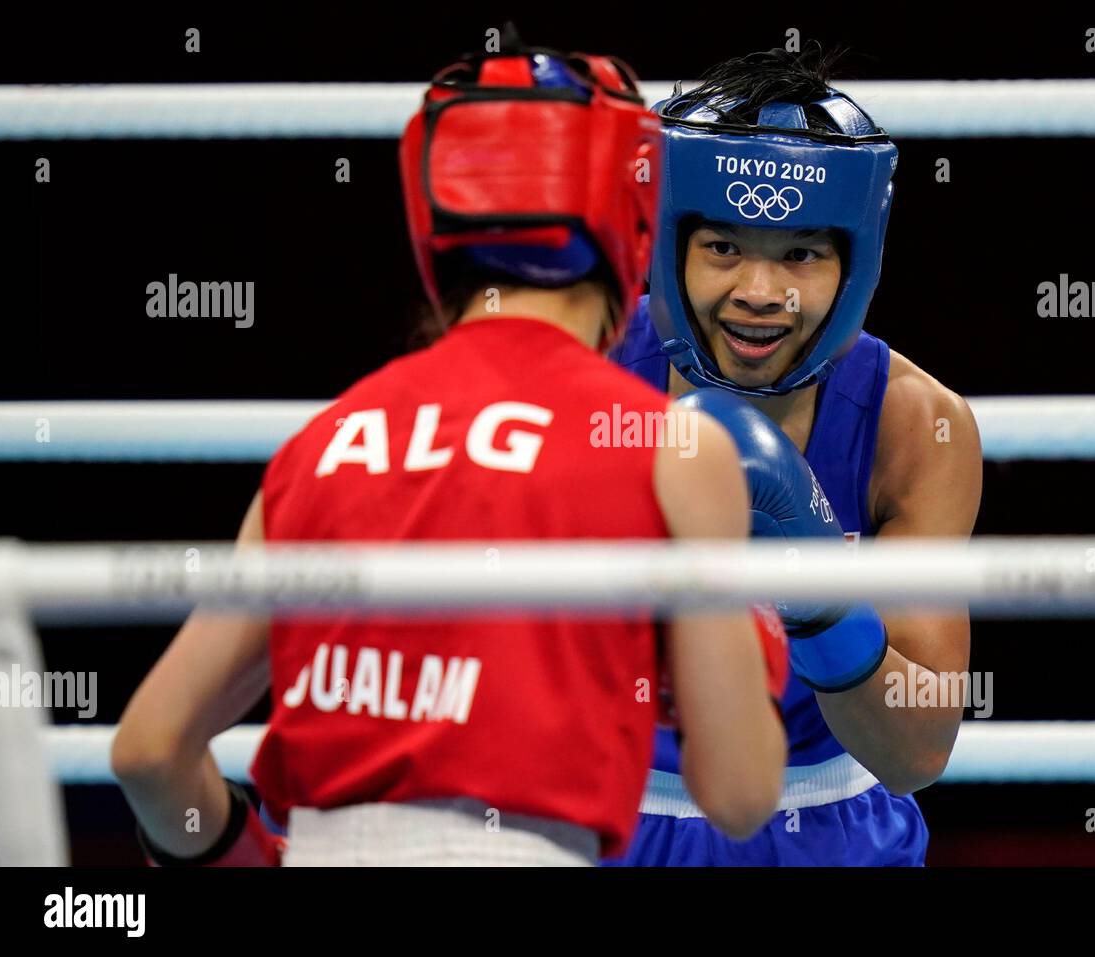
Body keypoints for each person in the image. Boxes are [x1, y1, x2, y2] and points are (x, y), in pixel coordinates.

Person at [110, 36, 787, 867]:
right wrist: (746, 660)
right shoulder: (670, 447)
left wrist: (248, 855)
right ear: (635, 218)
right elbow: (742, 794)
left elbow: (147, 750)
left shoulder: (319, 446)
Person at [607, 45, 983, 866]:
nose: (759, 292)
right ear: (670, 247)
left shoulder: (914, 428)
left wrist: (813, 592)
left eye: (800, 254)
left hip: (828, 824)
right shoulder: (583, 380)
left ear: (855, 262)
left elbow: (917, 751)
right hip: (599, 814)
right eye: (723, 248)